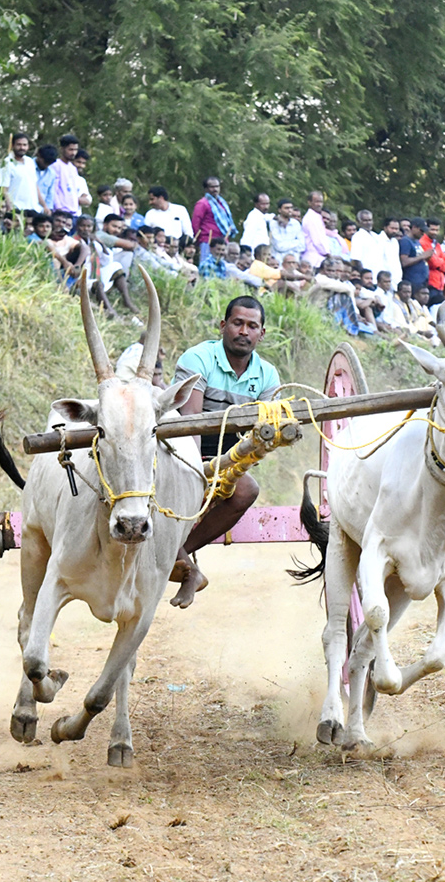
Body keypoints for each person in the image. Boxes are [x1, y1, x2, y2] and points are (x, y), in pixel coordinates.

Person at [170, 297, 281, 607]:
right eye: (237, 323)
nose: (244, 331)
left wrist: (228, 470)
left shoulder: (267, 376)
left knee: (247, 490)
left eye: (252, 326)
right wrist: (196, 474)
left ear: (261, 334)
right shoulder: (198, 359)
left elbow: (259, 437)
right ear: (223, 326)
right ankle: (186, 566)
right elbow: (190, 423)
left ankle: (178, 554)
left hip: (227, 456)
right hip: (180, 448)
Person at [191, 176, 237, 261]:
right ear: (206, 189)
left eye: (217, 186)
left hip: (223, 241)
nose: (215, 189)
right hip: (208, 241)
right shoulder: (202, 203)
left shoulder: (222, 203)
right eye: (212, 187)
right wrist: (198, 239)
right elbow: (195, 223)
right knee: (207, 264)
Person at [0, 132, 43, 214]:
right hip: (16, 209)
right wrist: (10, 209)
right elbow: (3, 189)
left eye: (25, 145)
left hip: (33, 208)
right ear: (12, 145)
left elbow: (35, 185)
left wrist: (44, 205)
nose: (22, 148)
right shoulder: (6, 163)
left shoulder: (30, 162)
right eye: (19, 145)